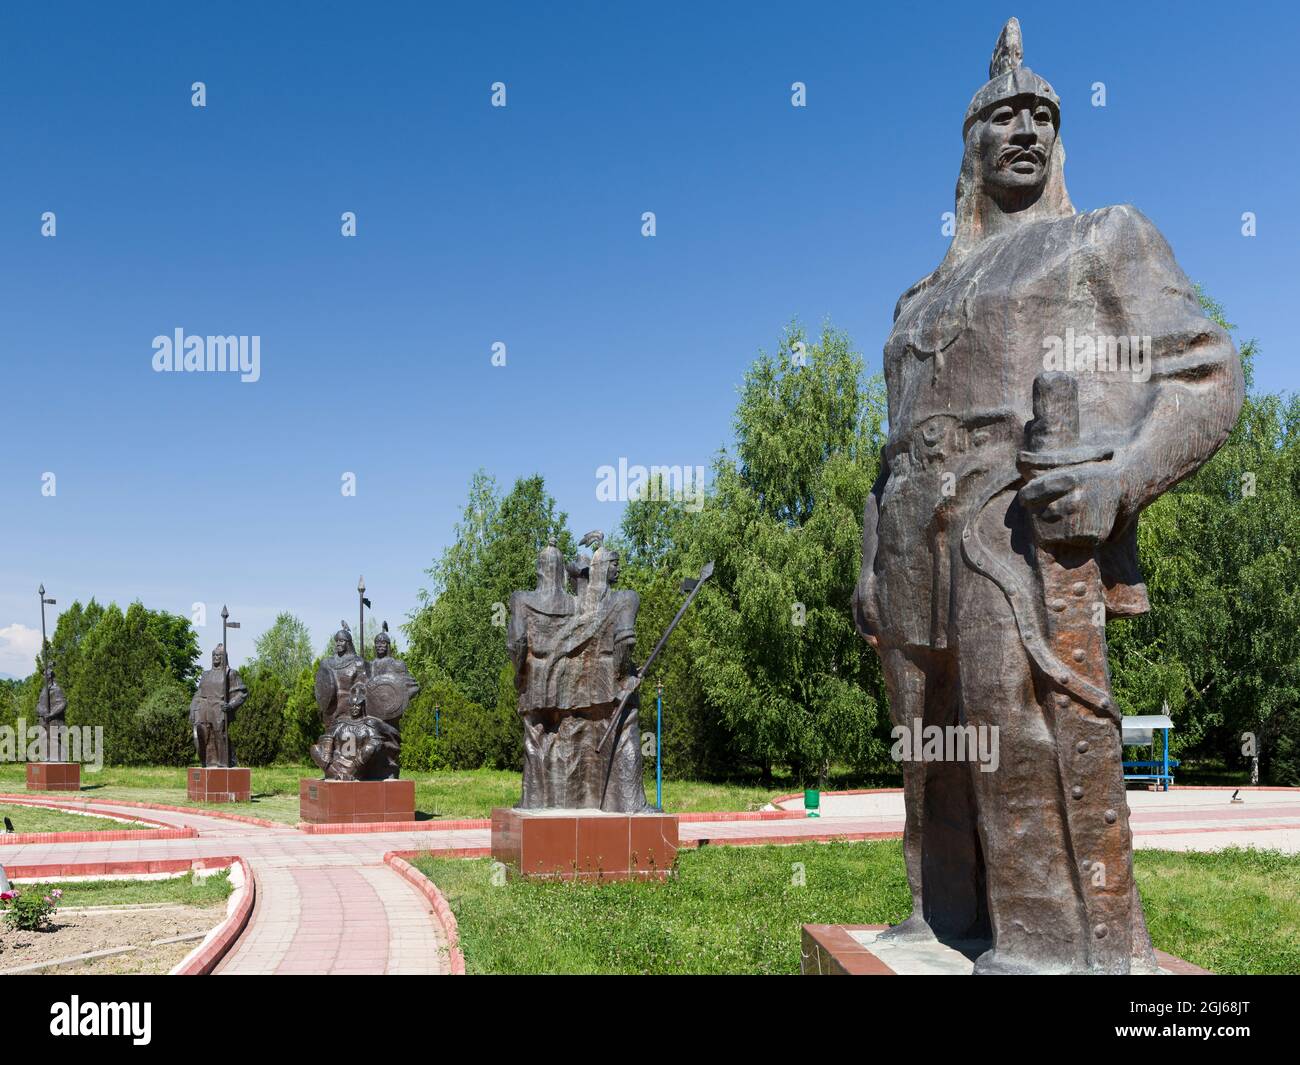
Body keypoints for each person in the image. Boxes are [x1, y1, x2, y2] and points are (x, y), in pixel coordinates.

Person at [851, 19, 1243, 974]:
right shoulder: (916, 299)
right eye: (1002, 116)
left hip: (1013, 516)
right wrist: (868, 562)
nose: (1023, 130)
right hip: (911, 533)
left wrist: (1119, 479)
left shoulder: (1100, 238)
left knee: (1017, 724)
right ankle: (941, 911)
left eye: (1042, 117)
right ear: (971, 144)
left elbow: (1208, 371)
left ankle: (1045, 943)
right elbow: (887, 449)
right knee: (930, 741)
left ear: (1059, 140)